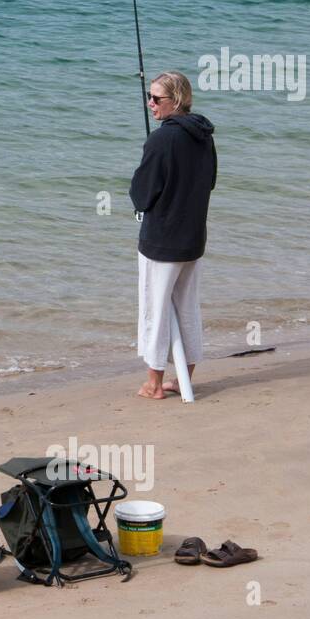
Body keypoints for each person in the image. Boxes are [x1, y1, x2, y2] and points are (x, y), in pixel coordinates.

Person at [130, 72, 217, 399]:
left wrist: (143, 202)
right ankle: (183, 379)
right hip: (193, 239)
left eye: (156, 98)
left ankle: (154, 384)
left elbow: (142, 192)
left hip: (161, 242)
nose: (150, 103)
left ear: (176, 100)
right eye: (148, 97)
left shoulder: (161, 140)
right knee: (186, 308)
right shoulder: (204, 136)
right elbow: (209, 181)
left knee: (155, 310)